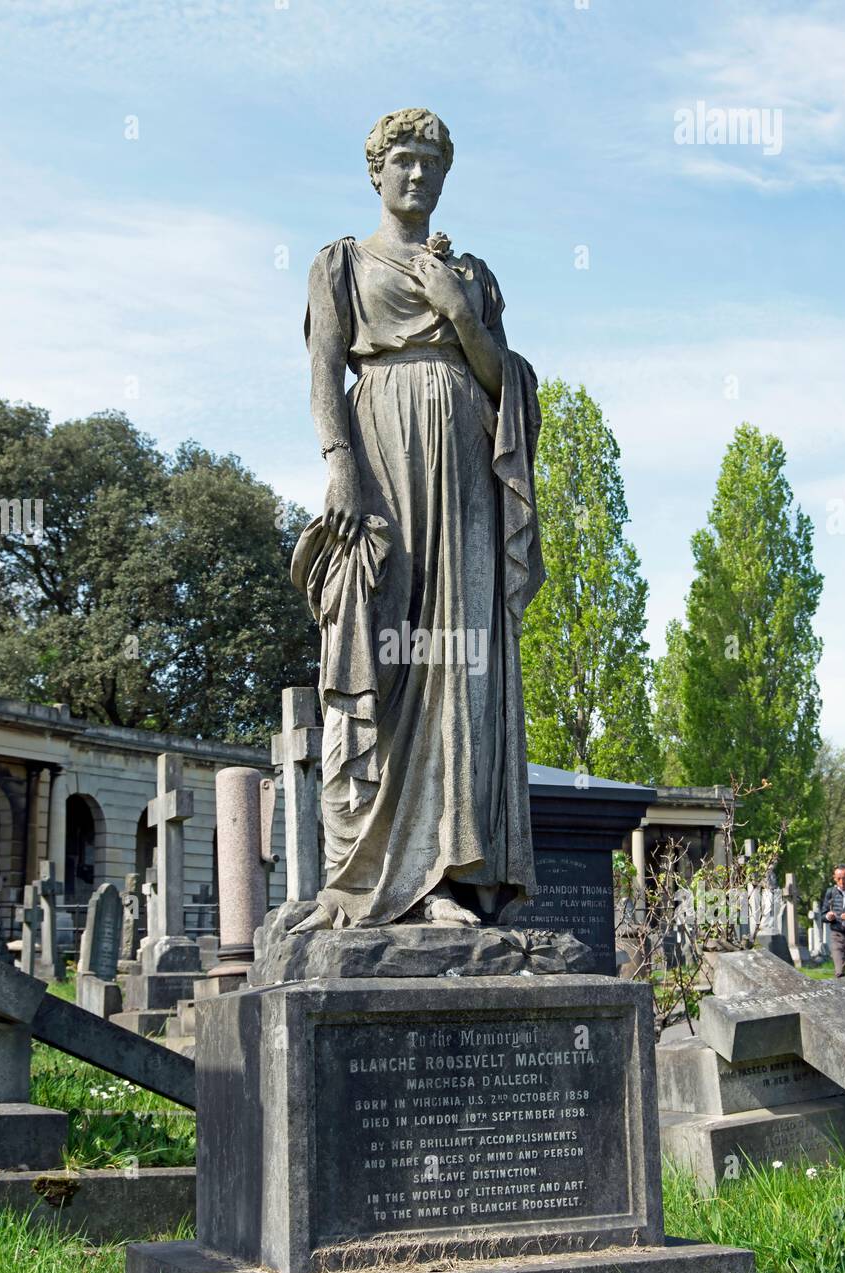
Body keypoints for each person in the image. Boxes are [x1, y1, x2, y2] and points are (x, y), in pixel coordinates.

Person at [292, 108, 543, 931]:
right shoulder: (342, 263)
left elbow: (509, 386)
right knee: (385, 651)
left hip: (468, 469)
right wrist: (338, 467)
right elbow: (326, 371)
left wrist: (460, 314)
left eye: (430, 163)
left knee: (461, 660)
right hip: (384, 458)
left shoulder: (470, 273)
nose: (416, 175)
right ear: (375, 171)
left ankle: (448, 873)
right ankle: (369, 875)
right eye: (401, 160)